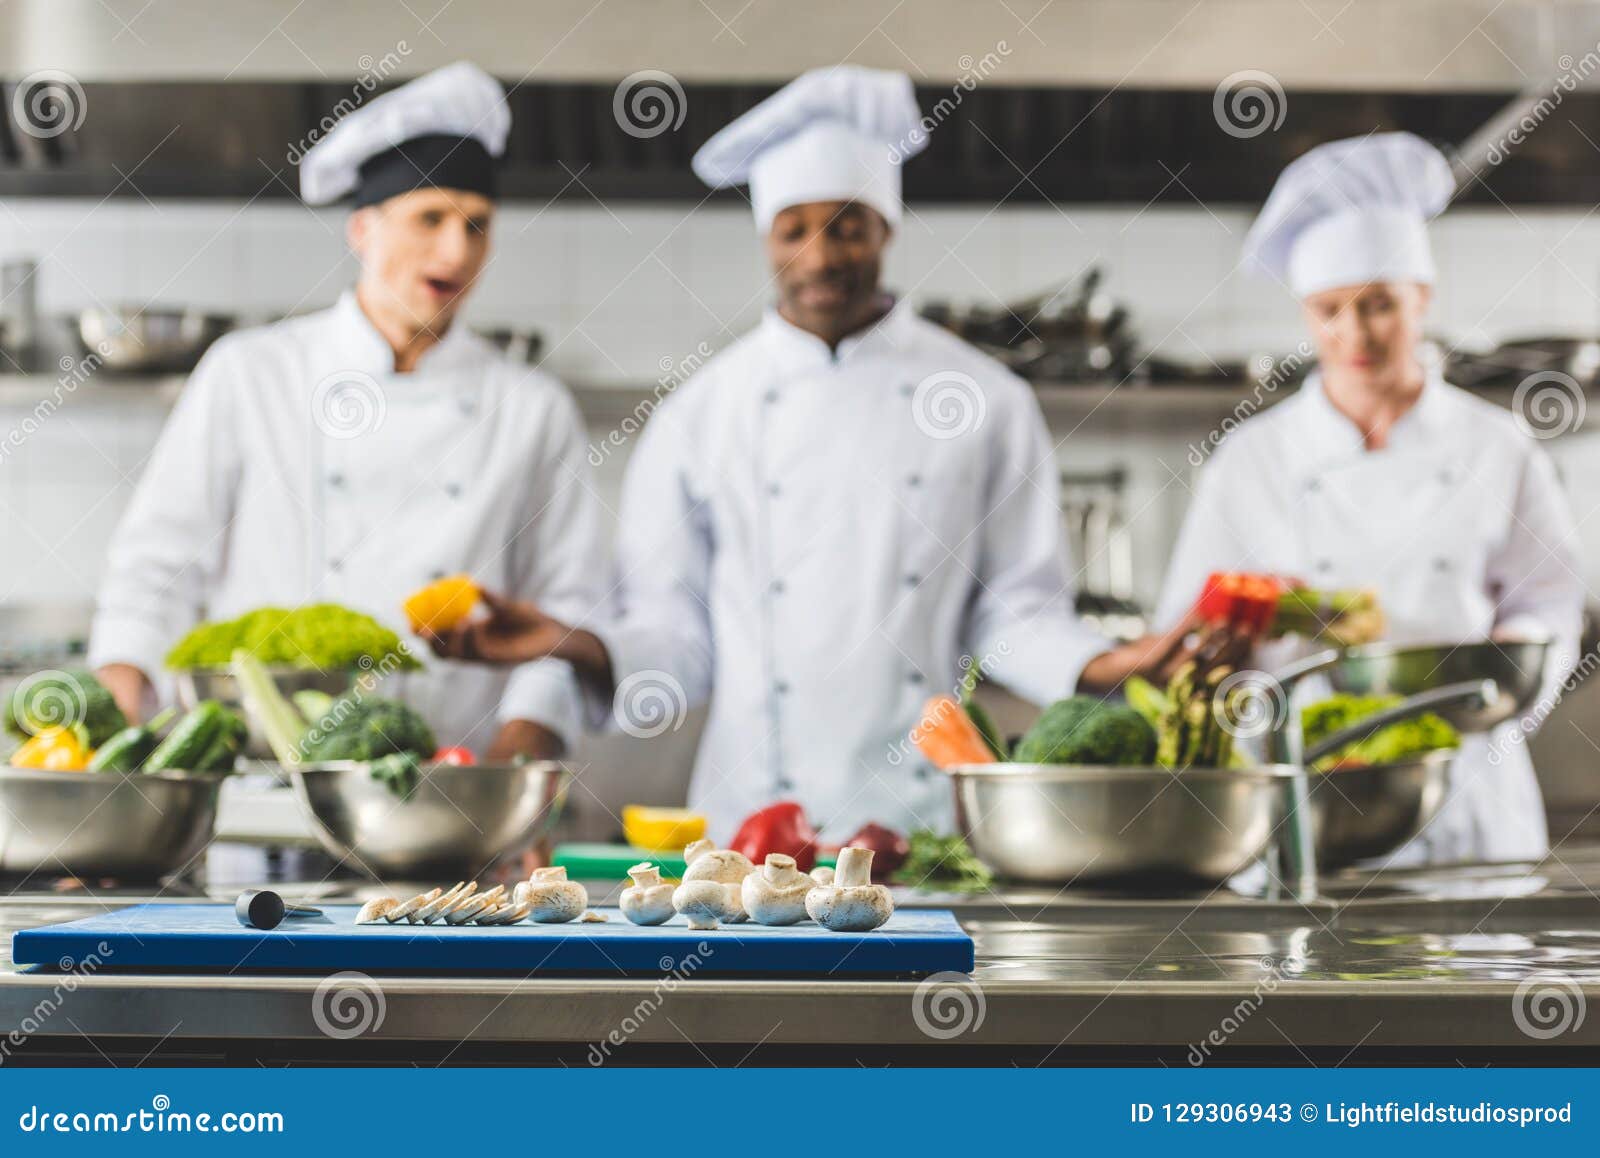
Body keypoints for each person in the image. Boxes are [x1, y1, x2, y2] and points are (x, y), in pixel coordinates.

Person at [426, 66, 1229, 839]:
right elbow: (675, 637)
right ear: (766, 237)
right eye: (795, 229)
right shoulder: (700, 412)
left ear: (886, 227)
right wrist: (570, 641)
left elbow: (1012, 613)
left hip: (924, 824)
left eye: (847, 225)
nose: (821, 256)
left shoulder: (986, 401)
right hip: (747, 825)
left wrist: (1108, 664)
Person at [89, 63, 606, 762]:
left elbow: (565, 610)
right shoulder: (252, 373)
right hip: (258, 787)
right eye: (430, 218)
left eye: (477, 225)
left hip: (444, 788)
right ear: (363, 229)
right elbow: (157, 569)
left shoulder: (532, 408)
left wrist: (514, 768)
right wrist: (111, 723)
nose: (457, 251)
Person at [1154, 132, 1584, 865]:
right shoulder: (1252, 456)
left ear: (1422, 299)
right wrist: (1237, 631)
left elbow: (1551, 603)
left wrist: (1511, 677)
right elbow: (1189, 626)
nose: (1354, 332)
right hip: (1309, 788)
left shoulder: (1497, 445)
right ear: (1307, 317)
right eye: (1329, 310)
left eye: (1378, 304)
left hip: (1467, 792)